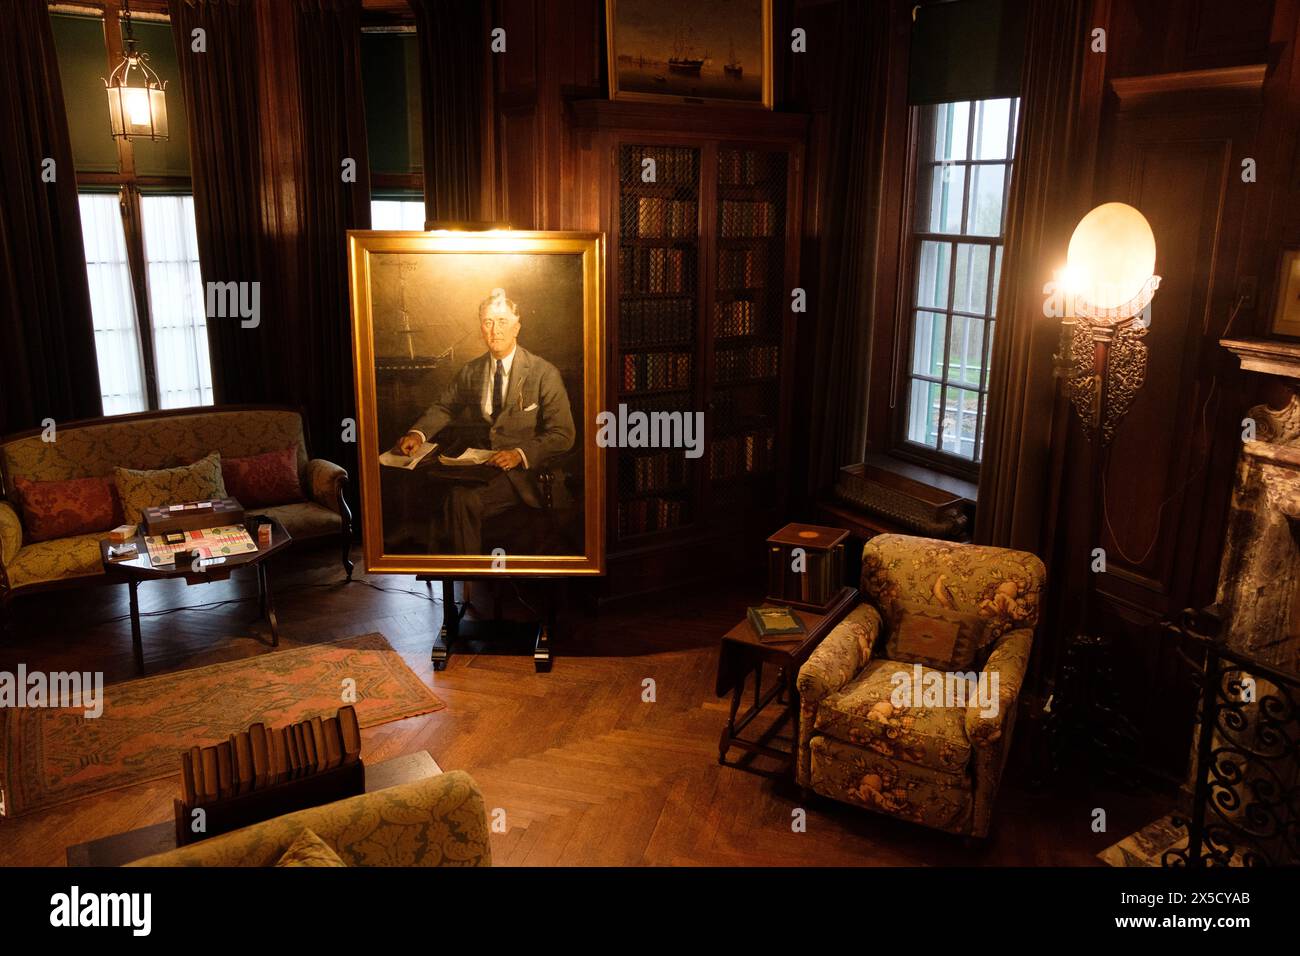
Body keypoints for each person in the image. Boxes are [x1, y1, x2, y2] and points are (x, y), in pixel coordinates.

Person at [395, 288, 576, 554]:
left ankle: (466, 578)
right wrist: (418, 434)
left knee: (458, 500)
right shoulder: (473, 371)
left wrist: (519, 454)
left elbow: (563, 434)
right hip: (482, 469)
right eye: (488, 322)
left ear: (517, 327)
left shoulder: (543, 373)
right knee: (445, 493)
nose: (495, 330)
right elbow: (445, 407)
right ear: (481, 327)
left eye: (502, 322)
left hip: (528, 475)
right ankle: (466, 578)